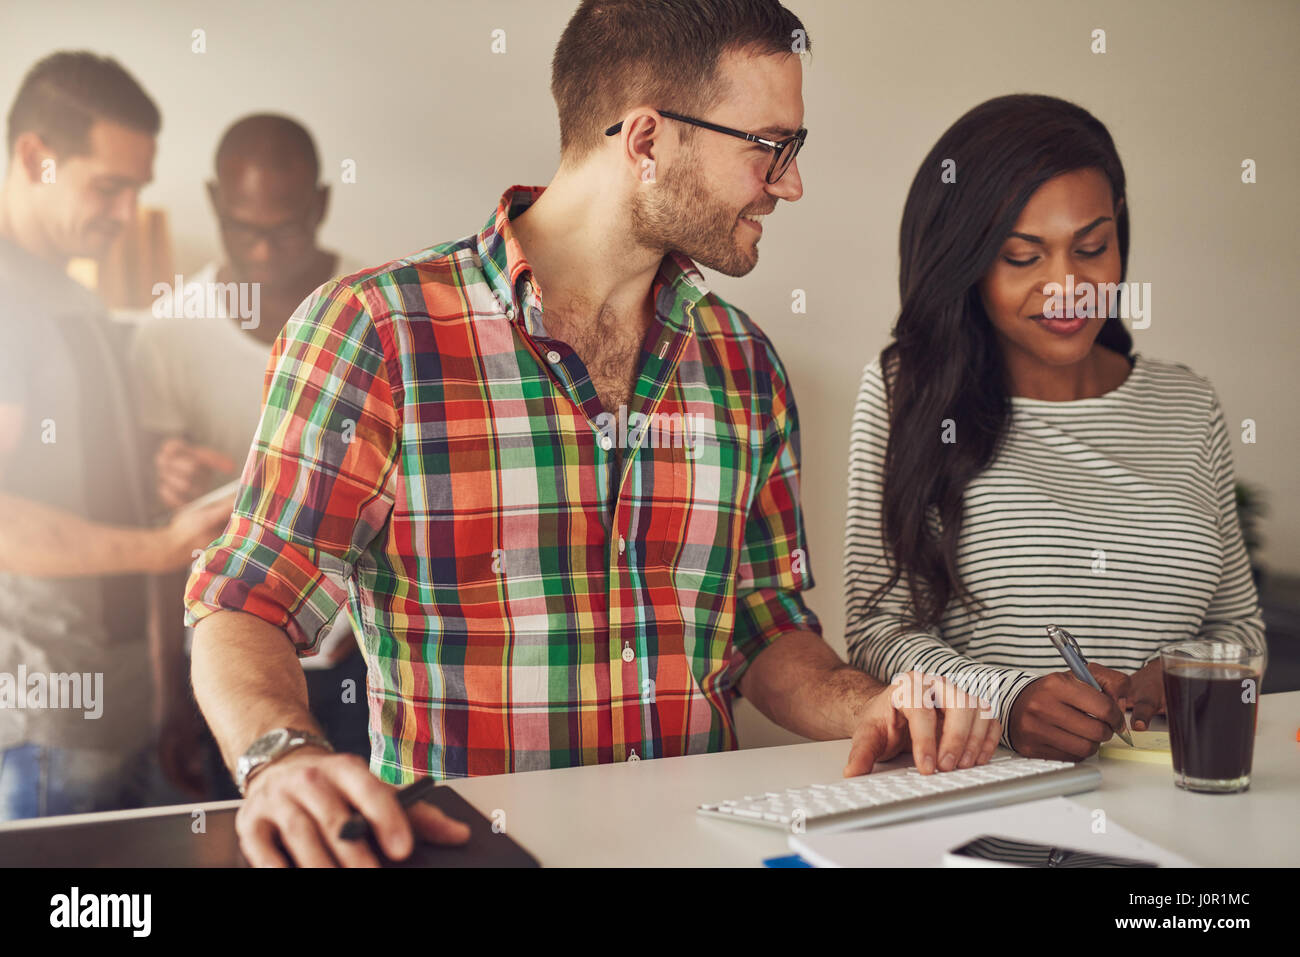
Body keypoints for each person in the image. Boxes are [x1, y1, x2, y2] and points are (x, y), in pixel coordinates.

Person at [185, 0, 1000, 869]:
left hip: (701, 851)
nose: (789, 182)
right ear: (647, 140)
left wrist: (865, 705)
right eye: (769, 145)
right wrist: (281, 758)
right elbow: (244, 602)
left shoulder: (743, 363)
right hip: (470, 853)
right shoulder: (377, 332)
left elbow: (764, 626)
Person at [844, 93, 1267, 763]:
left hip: (1177, 785)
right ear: (971, 264)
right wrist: (1006, 702)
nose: (1068, 285)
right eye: (1022, 257)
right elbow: (878, 629)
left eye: (1091, 247)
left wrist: (1183, 671)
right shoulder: (909, 394)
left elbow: (1237, 626)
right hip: (991, 787)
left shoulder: (1189, 404)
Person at [0, 51, 232, 821]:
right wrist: (165, 546)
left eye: (137, 189)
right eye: (108, 185)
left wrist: (150, 471)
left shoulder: (75, 296)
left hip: (117, 704)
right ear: (36, 157)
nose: (127, 212)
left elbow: (64, 462)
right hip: (42, 722)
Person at [129, 114, 369, 799]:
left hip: (361, 659)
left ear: (320, 204)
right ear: (213, 204)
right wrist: (168, 696)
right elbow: (161, 541)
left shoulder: (374, 314)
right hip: (221, 658)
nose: (263, 254)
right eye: (244, 229)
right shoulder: (168, 334)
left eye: (285, 228)